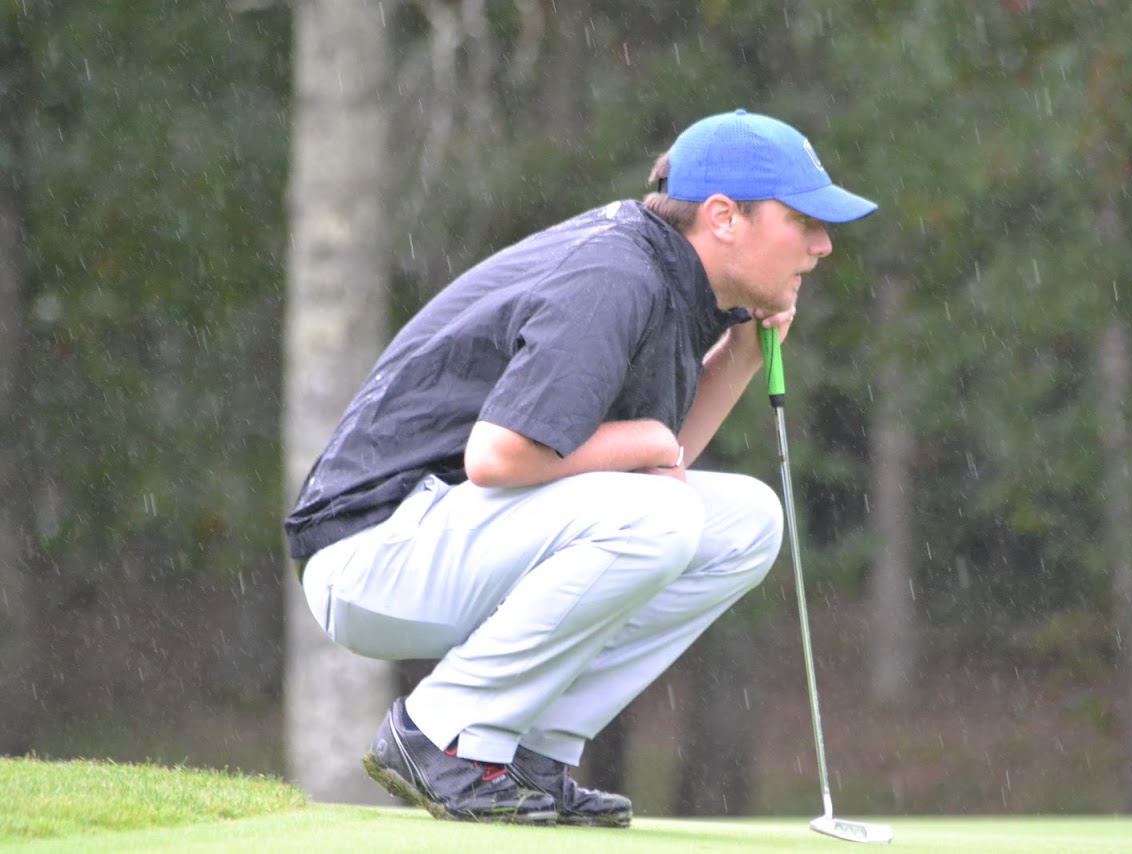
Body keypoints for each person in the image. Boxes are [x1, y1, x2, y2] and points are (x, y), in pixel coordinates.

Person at [285, 108, 877, 827]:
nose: (822, 245)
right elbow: (498, 455)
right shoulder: (617, 274)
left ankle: (527, 750)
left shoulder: (669, 275)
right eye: (802, 221)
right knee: (661, 516)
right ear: (724, 217)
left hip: (445, 533)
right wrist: (648, 442)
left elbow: (660, 460)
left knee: (747, 522)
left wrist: (741, 359)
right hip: (370, 554)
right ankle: (441, 735)